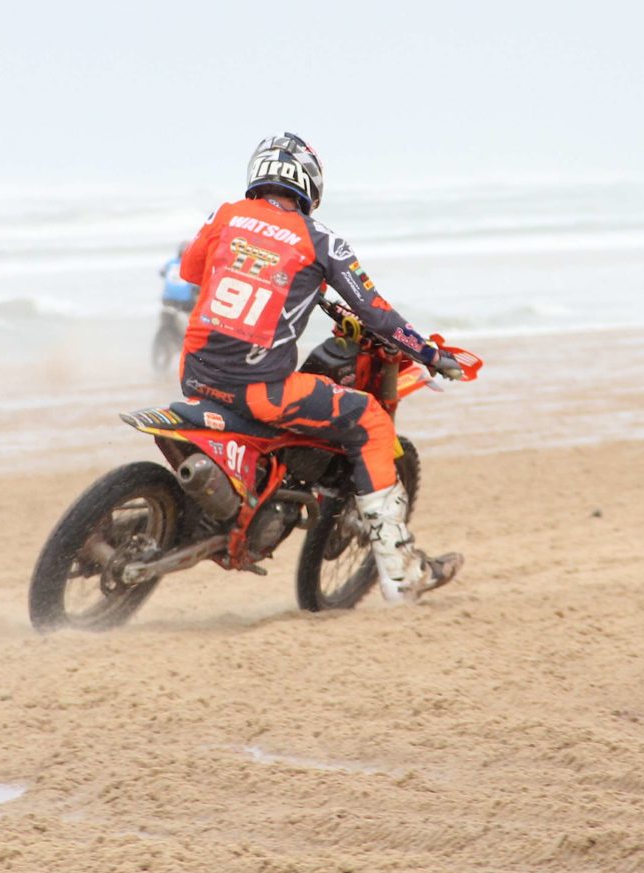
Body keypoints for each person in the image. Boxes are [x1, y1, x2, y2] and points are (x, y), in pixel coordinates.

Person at [177, 133, 465, 604]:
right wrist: (431, 354)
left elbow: (193, 271)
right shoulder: (322, 240)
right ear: (310, 186)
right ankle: (402, 573)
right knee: (369, 420)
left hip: (195, 375)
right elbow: (375, 311)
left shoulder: (224, 215)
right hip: (259, 390)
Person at [159, 243, 199, 313]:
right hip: (186, 301)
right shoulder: (192, 264)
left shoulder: (170, 262)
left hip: (167, 299)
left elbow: (162, 273)